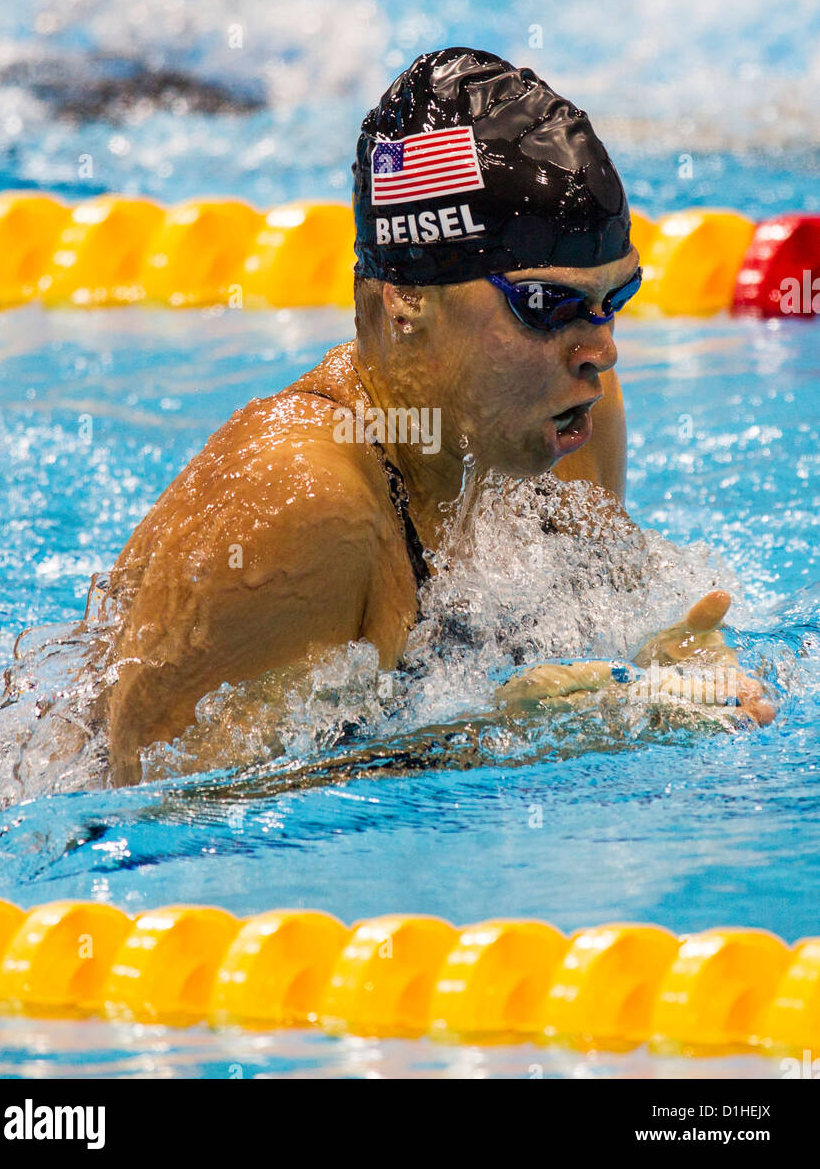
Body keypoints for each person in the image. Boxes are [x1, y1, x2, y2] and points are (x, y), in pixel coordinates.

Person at [101, 47, 773, 785]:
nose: (601, 351)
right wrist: (514, 733)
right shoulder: (301, 506)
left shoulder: (567, 417)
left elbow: (610, 635)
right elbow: (159, 810)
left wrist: (670, 660)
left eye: (616, 300)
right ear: (406, 299)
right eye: (548, 305)